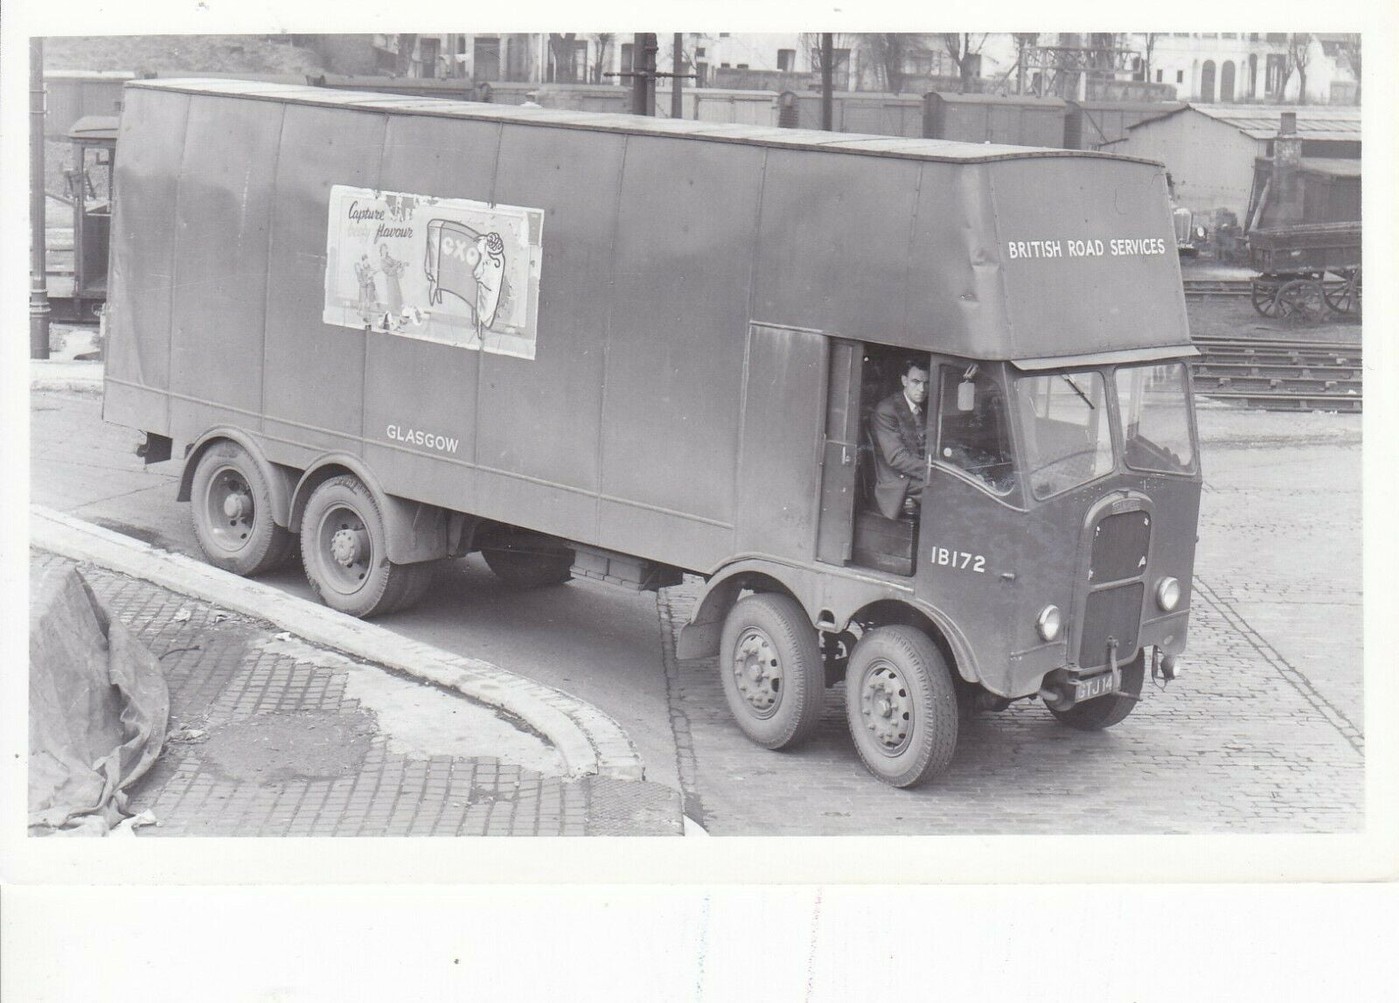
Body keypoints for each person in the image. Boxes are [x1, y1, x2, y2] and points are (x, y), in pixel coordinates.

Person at [870, 358, 929, 520]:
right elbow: (897, 458)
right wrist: (935, 472)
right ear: (904, 381)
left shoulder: (925, 406)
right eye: (916, 382)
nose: (922, 389)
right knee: (948, 490)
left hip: (915, 474)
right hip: (897, 481)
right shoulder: (887, 410)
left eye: (926, 383)